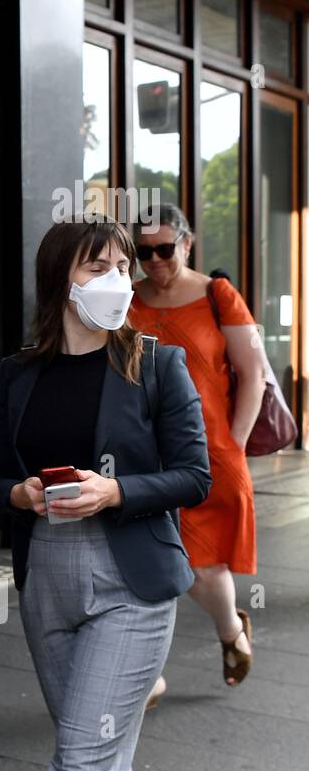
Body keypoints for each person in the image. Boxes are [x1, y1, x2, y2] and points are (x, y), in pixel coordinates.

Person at [0, 217, 211, 771]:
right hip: (47, 581)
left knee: (81, 761)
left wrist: (115, 491)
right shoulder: (17, 373)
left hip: (131, 580)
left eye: (124, 268)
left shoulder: (157, 364)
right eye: (98, 266)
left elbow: (195, 476)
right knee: (101, 757)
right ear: (62, 279)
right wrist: (19, 494)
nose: (118, 279)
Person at [129, 205, 259, 696]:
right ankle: (147, 680)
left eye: (165, 249)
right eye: (144, 253)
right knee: (142, 566)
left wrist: (235, 443)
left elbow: (253, 374)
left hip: (209, 451)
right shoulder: (127, 296)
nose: (156, 261)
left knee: (204, 567)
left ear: (187, 242)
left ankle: (230, 630)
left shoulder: (217, 295)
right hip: (142, 452)